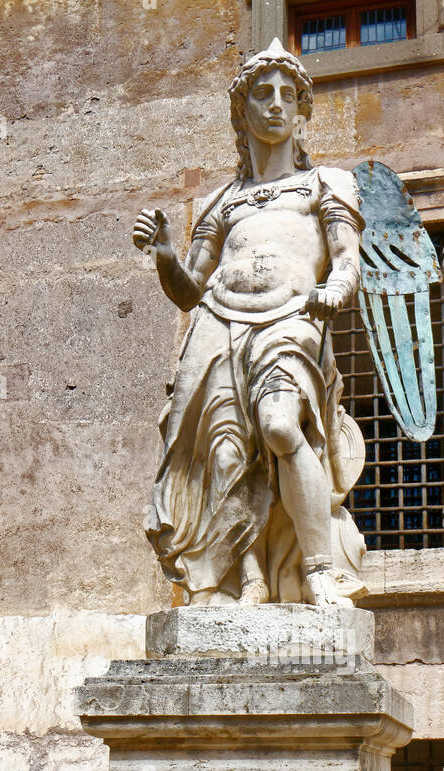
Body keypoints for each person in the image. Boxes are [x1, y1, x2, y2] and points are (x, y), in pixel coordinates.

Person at [132, 39, 367, 606]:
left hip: (293, 316)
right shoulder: (222, 202)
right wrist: (166, 255)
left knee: (282, 427)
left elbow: (347, 258)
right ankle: (251, 582)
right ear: (243, 110)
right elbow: (189, 291)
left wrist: (334, 291)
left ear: (302, 109)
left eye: (289, 95)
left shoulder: (325, 185)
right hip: (219, 324)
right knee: (227, 456)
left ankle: (318, 573)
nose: (276, 104)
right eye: (262, 94)